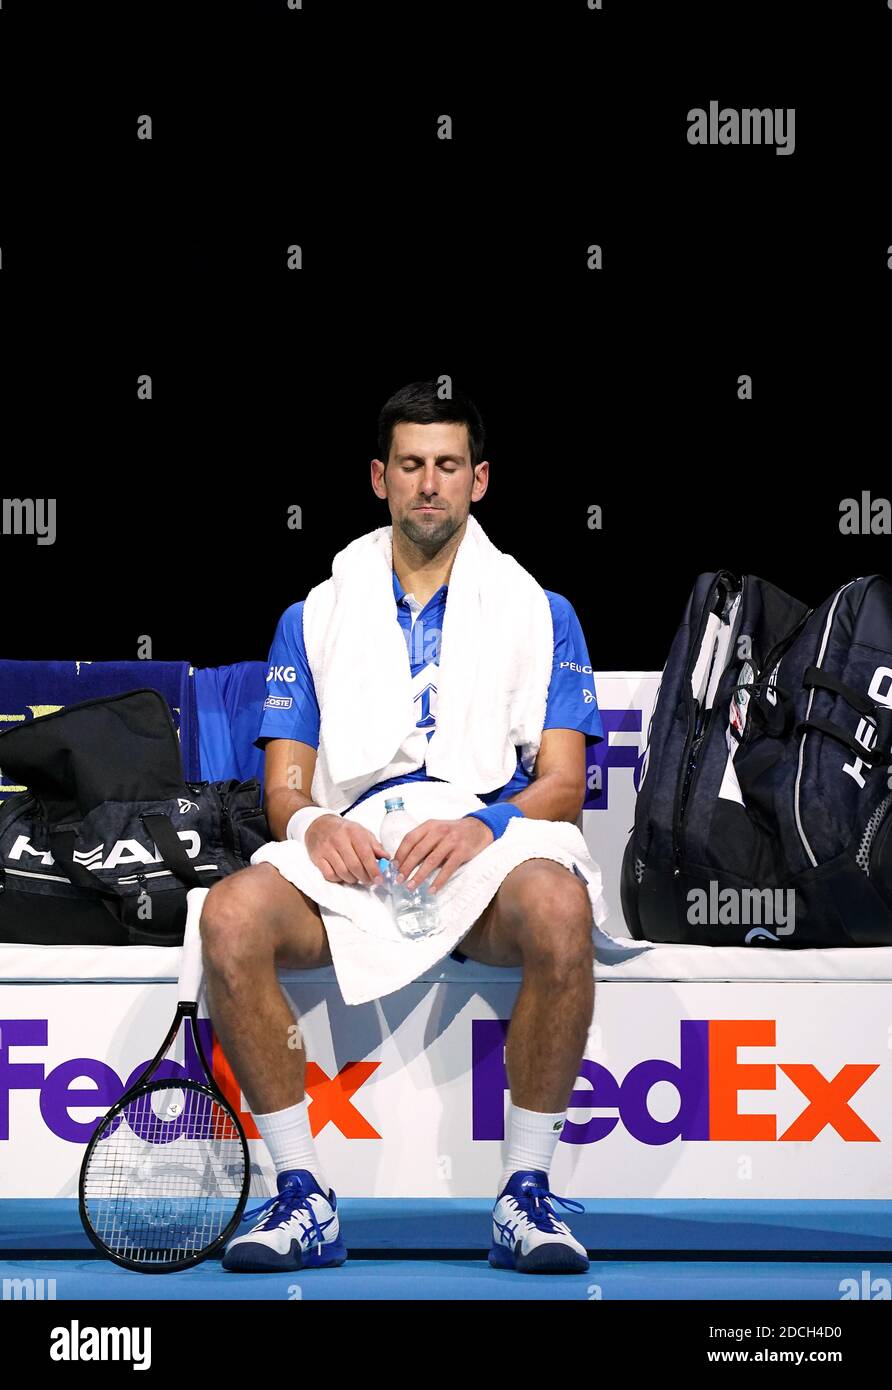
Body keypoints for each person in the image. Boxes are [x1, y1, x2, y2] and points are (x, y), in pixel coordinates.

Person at [201, 380, 606, 1274]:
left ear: (481, 481)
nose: (431, 483)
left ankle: (525, 1196)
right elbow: (286, 789)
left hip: (482, 852)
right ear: (379, 478)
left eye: (449, 466)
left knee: (560, 907)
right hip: (360, 858)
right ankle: (302, 1196)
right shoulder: (314, 614)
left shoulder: (541, 611)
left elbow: (565, 784)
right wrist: (311, 824)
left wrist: (485, 824)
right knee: (228, 915)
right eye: (413, 465)